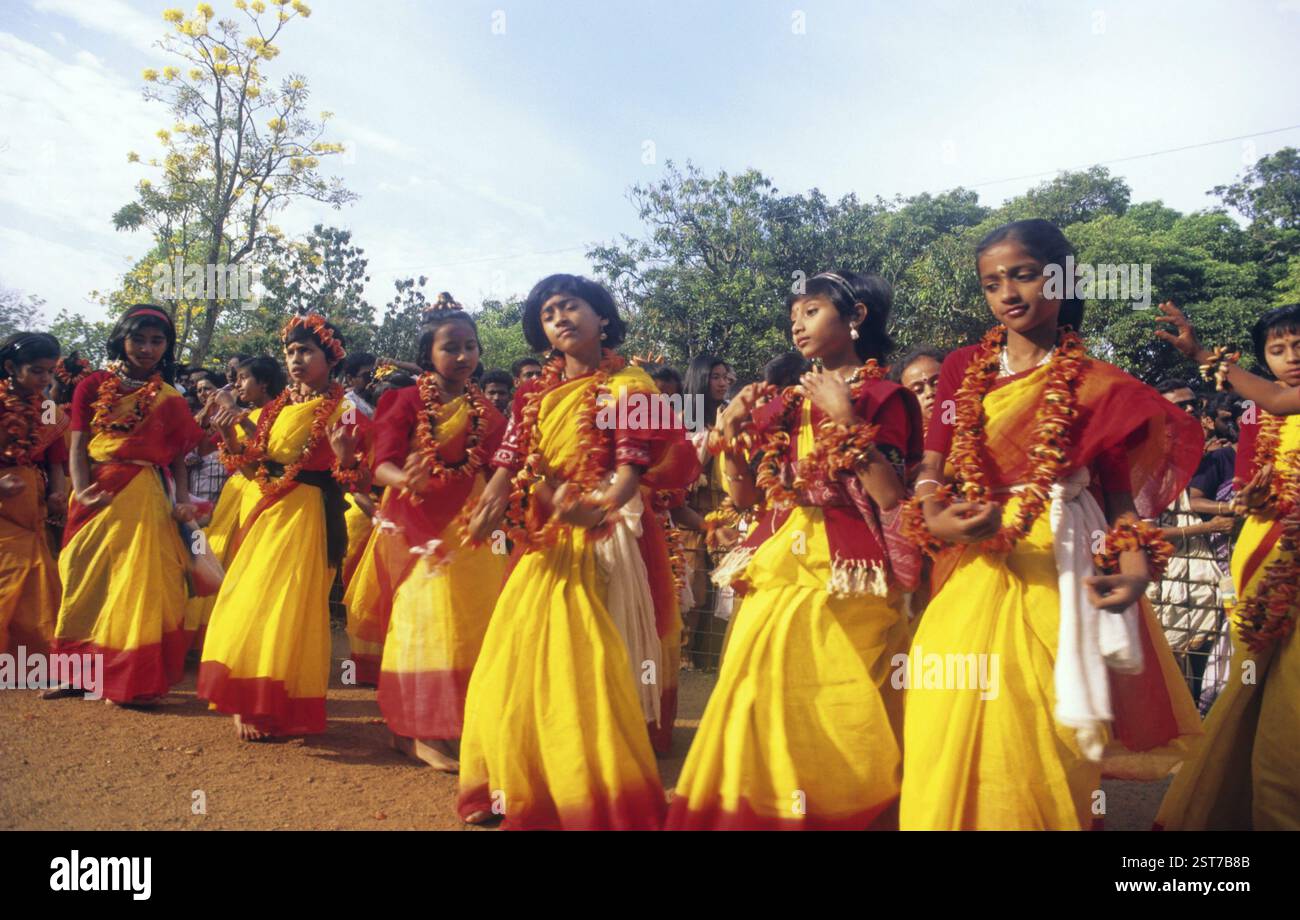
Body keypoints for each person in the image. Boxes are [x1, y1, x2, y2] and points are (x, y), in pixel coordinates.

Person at [899, 220, 1204, 830]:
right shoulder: (962, 367)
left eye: (1024, 274)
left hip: (1064, 555)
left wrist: (1136, 568)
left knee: (1044, 720)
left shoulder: (1095, 383)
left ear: (1063, 280)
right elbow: (931, 466)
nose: (1008, 293)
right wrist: (936, 515)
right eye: (992, 283)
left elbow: (1120, 496)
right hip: (975, 557)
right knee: (943, 701)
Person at [667, 271, 922, 829]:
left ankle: (851, 803)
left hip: (850, 567)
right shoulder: (782, 405)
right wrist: (731, 439)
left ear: (854, 318)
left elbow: (889, 494)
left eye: (810, 311)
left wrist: (848, 420)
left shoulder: (888, 396)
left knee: (839, 689)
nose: (797, 326)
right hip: (781, 552)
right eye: (793, 318)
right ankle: (776, 808)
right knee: (760, 683)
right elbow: (745, 495)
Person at [456, 273, 699, 829]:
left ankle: (590, 790)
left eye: (571, 307)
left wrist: (599, 508)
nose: (560, 318)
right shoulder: (531, 395)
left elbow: (630, 469)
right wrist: (488, 506)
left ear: (602, 317)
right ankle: (516, 784)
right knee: (517, 656)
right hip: (545, 540)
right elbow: (510, 462)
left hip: (605, 539)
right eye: (548, 314)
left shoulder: (632, 385)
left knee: (593, 663)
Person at [1152, 301, 1300, 828]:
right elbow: (1247, 497)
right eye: (1276, 350)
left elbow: (1282, 398)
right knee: (1262, 697)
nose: (1290, 358)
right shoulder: (1263, 412)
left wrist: (1200, 354)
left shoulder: (1275, 400)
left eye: (1298, 346)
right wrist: (1254, 500)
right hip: (1270, 558)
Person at [346, 300, 507, 770]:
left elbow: (502, 466)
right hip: (416, 523)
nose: (463, 356)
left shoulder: (487, 413)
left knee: (470, 623)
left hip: (469, 525)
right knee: (424, 622)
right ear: (428, 352)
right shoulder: (404, 401)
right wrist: (406, 481)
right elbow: (381, 464)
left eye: (470, 346)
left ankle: (454, 722)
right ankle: (413, 729)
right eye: (450, 347)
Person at [198, 314, 367, 741]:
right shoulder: (276, 407)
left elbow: (356, 477)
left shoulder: (344, 409)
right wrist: (232, 442)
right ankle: (245, 695)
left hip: (306, 517)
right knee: (248, 597)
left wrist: (346, 460)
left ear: (330, 358)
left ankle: (269, 701)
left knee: (286, 605)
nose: (295, 359)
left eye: (306, 351)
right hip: (264, 511)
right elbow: (256, 465)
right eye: (291, 352)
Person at [48, 305, 204, 704]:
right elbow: (78, 446)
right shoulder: (92, 385)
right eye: (139, 339)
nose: (147, 349)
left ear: (166, 347)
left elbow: (178, 458)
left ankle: (134, 681)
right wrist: (80, 491)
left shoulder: (170, 398)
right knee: (84, 577)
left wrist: (183, 501)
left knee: (139, 586)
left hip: (144, 495)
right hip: (96, 495)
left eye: (157, 341)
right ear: (122, 338)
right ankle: (76, 675)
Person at [0, 332, 69, 655]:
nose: (44, 379)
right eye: (37, 371)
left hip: (31, 504)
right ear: (12, 367)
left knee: (36, 577)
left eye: (49, 372)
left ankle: (27, 658)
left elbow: (56, 460)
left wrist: (57, 492)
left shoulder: (46, 411)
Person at [889, 344, 946, 436]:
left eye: (936, 384)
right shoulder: (907, 445)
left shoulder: (974, 425)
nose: (930, 393)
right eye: (918, 390)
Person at [342, 352, 378, 419]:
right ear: (350, 379)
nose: (373, 379)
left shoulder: (379, 397)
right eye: (367, 376)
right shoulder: (347, 404)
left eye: (375, 374)